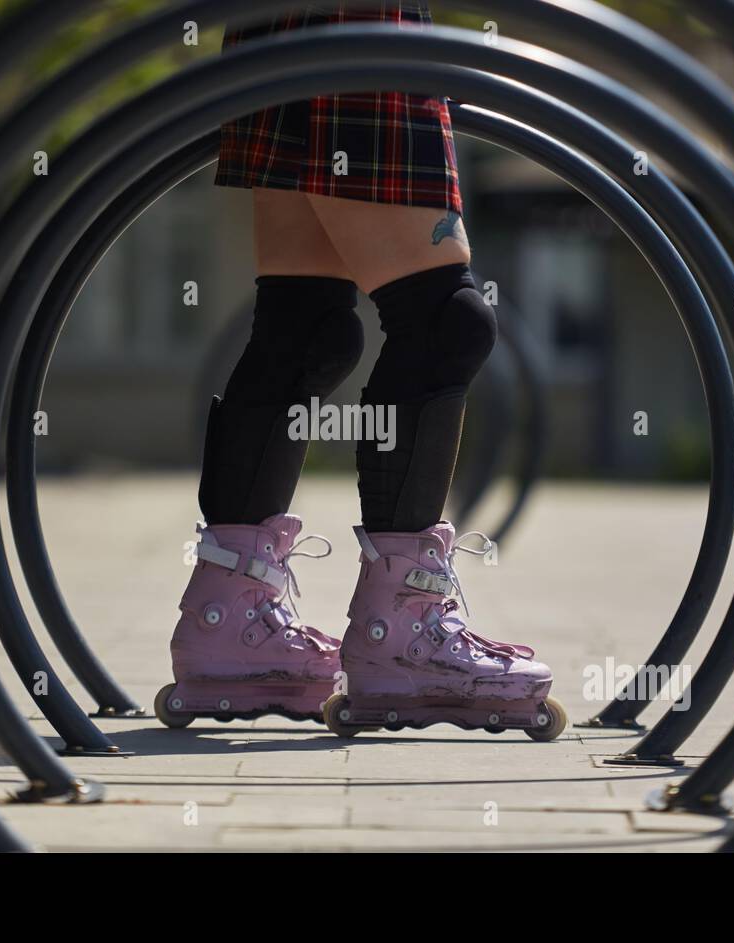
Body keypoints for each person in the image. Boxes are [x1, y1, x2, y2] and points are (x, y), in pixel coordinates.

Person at [155, 3, 564, 741]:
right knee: (446, 323)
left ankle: (228, 621)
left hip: (293, 25)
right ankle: (402, 634)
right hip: (356, 19)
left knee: (306, 328)